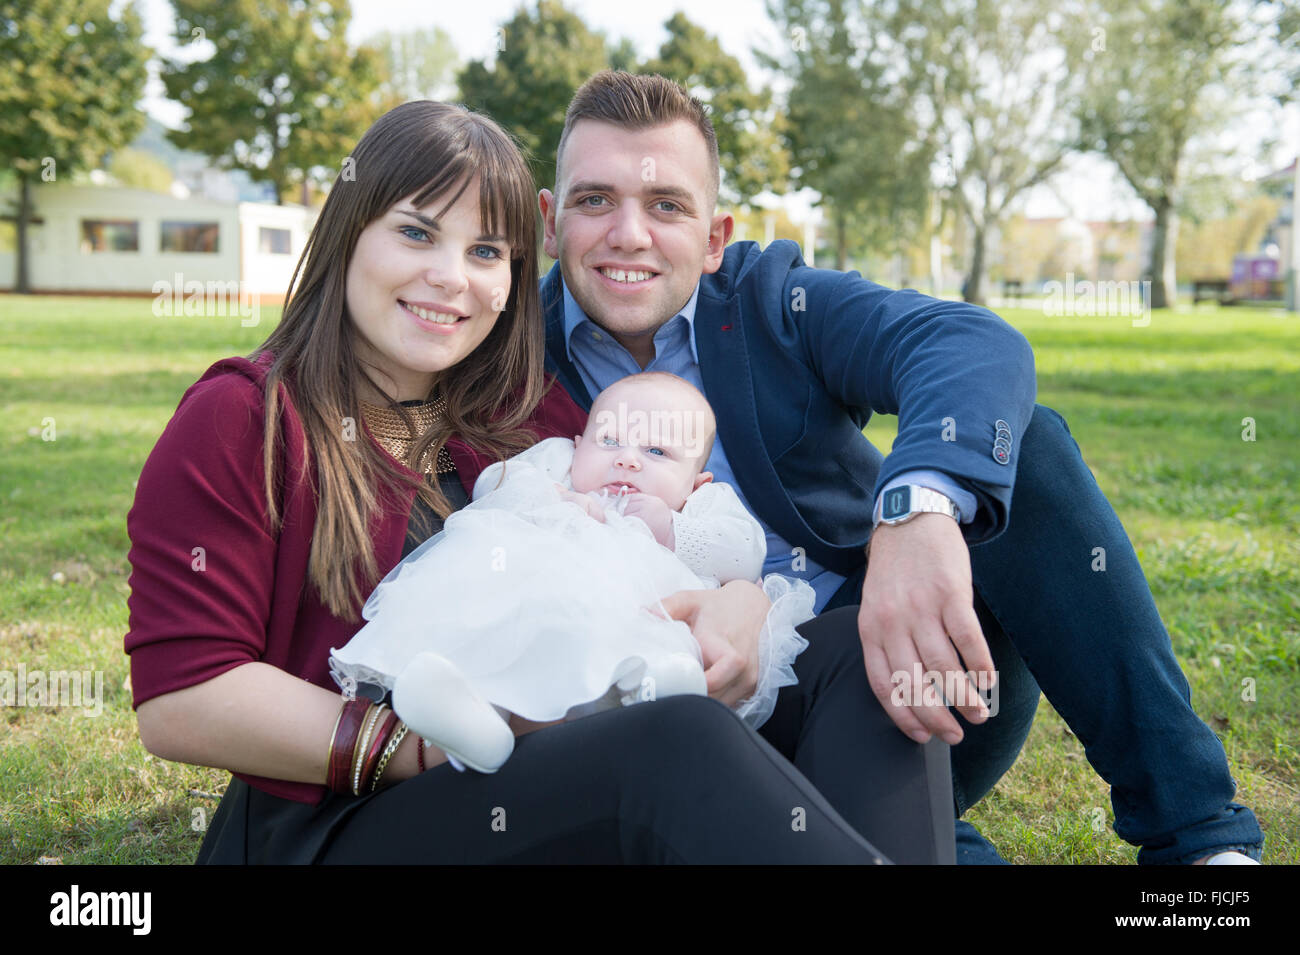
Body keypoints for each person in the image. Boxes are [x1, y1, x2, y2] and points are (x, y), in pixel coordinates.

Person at [123, 99, 935, 864]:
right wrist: (420, 746)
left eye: (485, 252)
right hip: (338, 819)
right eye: (415, 233)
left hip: (530, 770)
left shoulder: (517, 408)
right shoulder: (247, 415)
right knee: (673, 743)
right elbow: (183, 697)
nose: (451, 278)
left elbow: (639, 532)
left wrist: (741, 601)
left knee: (863, 651)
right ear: (347, 235)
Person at [534, 70, 1264, 865]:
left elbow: (969, 345)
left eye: (666, 205)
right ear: (551, 219)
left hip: (890, 669)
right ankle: (930, 834)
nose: (629, 234)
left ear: (715, 236)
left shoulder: (776, 302)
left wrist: (913, 511)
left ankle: (1201, 845)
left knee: (1032, 444)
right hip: (675, 732)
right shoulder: (504, 351)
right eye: (595, 199)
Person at [329, 371, 815, 774]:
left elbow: (744, 552)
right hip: (542, 615)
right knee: (492, 630)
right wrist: (559, 500)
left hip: (643, 618)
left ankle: (663, 687)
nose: (627, 458)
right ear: (579, 444)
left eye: (658, 453)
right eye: (610, 440)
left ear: (696, 481)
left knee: (659, 636)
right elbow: (491, 486)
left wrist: (672, 529)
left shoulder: (700, 504)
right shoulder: (556, 464)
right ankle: (475, 721)